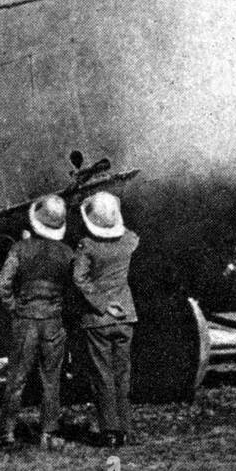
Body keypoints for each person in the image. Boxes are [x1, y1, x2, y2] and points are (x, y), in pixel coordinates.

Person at [0, 195, 74, 449]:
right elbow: (74, 287)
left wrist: (13, 307)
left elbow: (3, 282)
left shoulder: (19, 248)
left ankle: (7, 431)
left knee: (16, 377)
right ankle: (48, 433)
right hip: (53, 321)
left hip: (25, 320)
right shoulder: (68, 253)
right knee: (51, 379)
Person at [72, 191, 140, 448]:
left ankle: (109, 431)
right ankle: (125, 429)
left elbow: (79, 278)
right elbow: (132, 236)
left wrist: (101, 304)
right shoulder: (130, 241)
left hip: (97, 319)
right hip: (126, 316)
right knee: (123, 375)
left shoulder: (86, 246)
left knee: (103, 376)